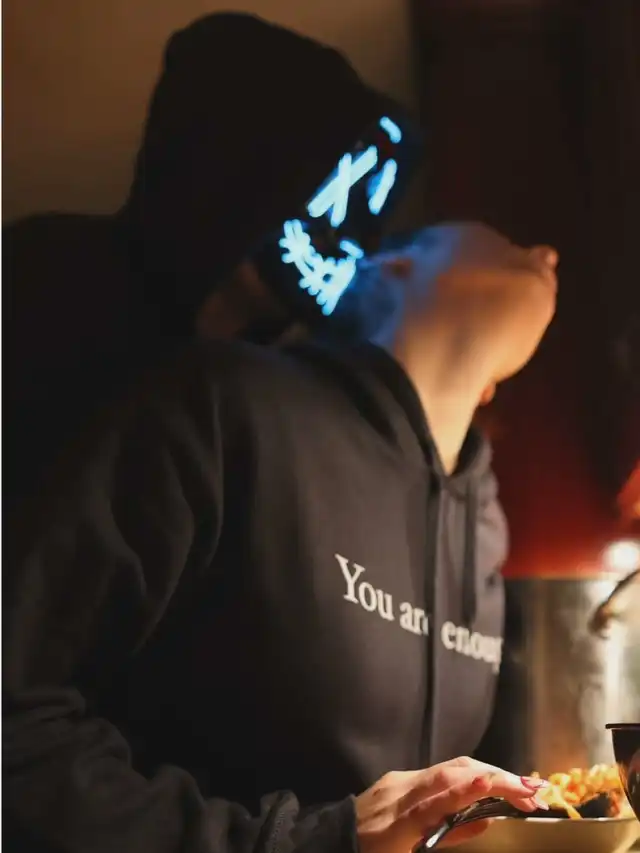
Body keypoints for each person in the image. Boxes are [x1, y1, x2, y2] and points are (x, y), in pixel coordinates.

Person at [3, 221, 558, 852]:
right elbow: (19, 718)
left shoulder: (488, 527)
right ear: (389, 267)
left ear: (490, 388)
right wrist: (305, 843)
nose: (546, 252)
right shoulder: (221, 407)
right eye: (504, 243)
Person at [3, 12, 418, 516]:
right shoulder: (42, 277)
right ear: (233, 168)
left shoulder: (290, 394)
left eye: (368, 194)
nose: (347, 231)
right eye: (328, 183)